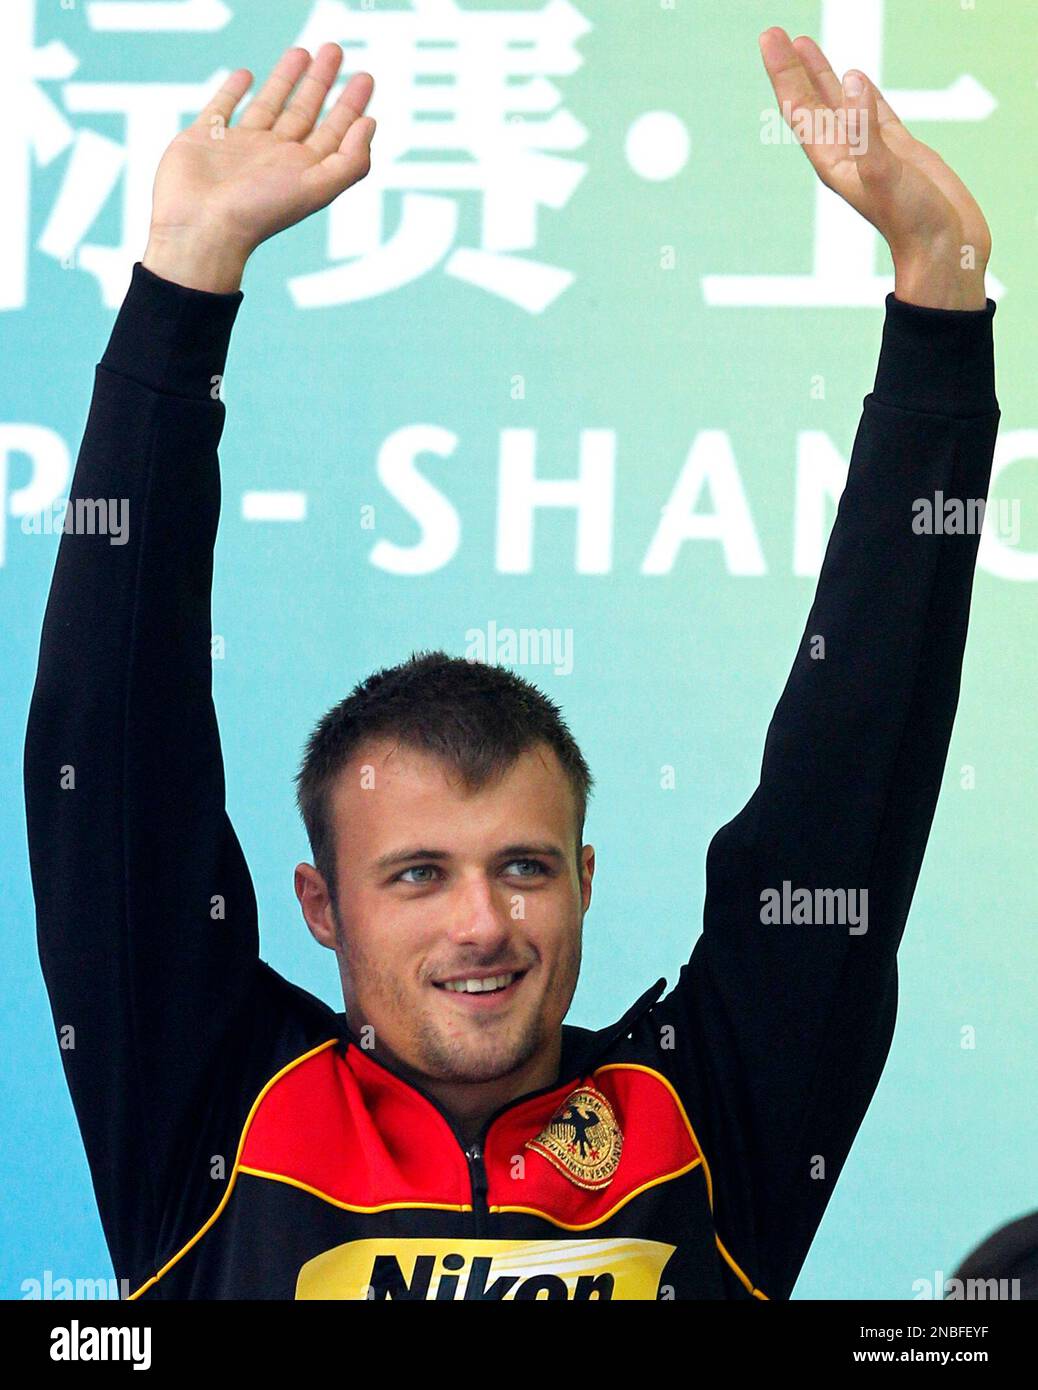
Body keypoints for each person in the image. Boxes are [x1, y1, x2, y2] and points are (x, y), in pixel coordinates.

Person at [25, 30, 1000, 1301]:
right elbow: (109, 744)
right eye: (418, 874)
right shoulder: (210, 1109)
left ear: (587, 881)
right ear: (323, 906)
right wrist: (182, 289)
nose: (484, 925)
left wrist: (939, 293)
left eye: (525, 867)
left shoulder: (712, 1116)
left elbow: (860, 756)